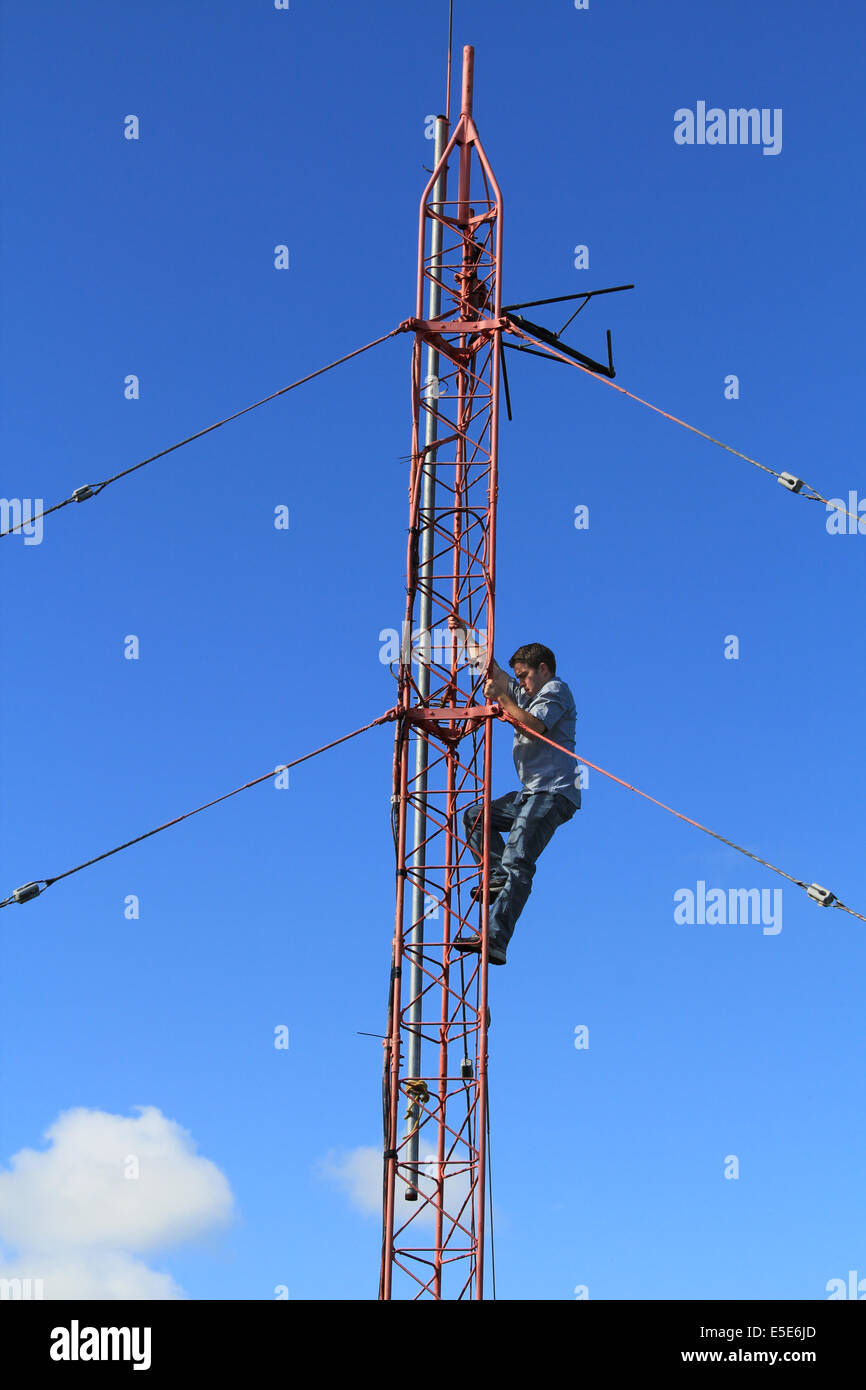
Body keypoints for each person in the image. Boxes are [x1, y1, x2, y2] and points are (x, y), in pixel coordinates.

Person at [446, 613, 580, 966]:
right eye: (519, 677)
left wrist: (503, 702)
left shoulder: (555, 690)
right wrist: (463, 635)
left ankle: (496, 938)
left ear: (544, 669)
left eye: (526, 675)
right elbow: (493, 673)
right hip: (531, 791)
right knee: (476, 817)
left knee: (519, 859)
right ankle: (497, 874)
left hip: (553, 792)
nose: (521, 682)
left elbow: (536, 726)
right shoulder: (526, 690)